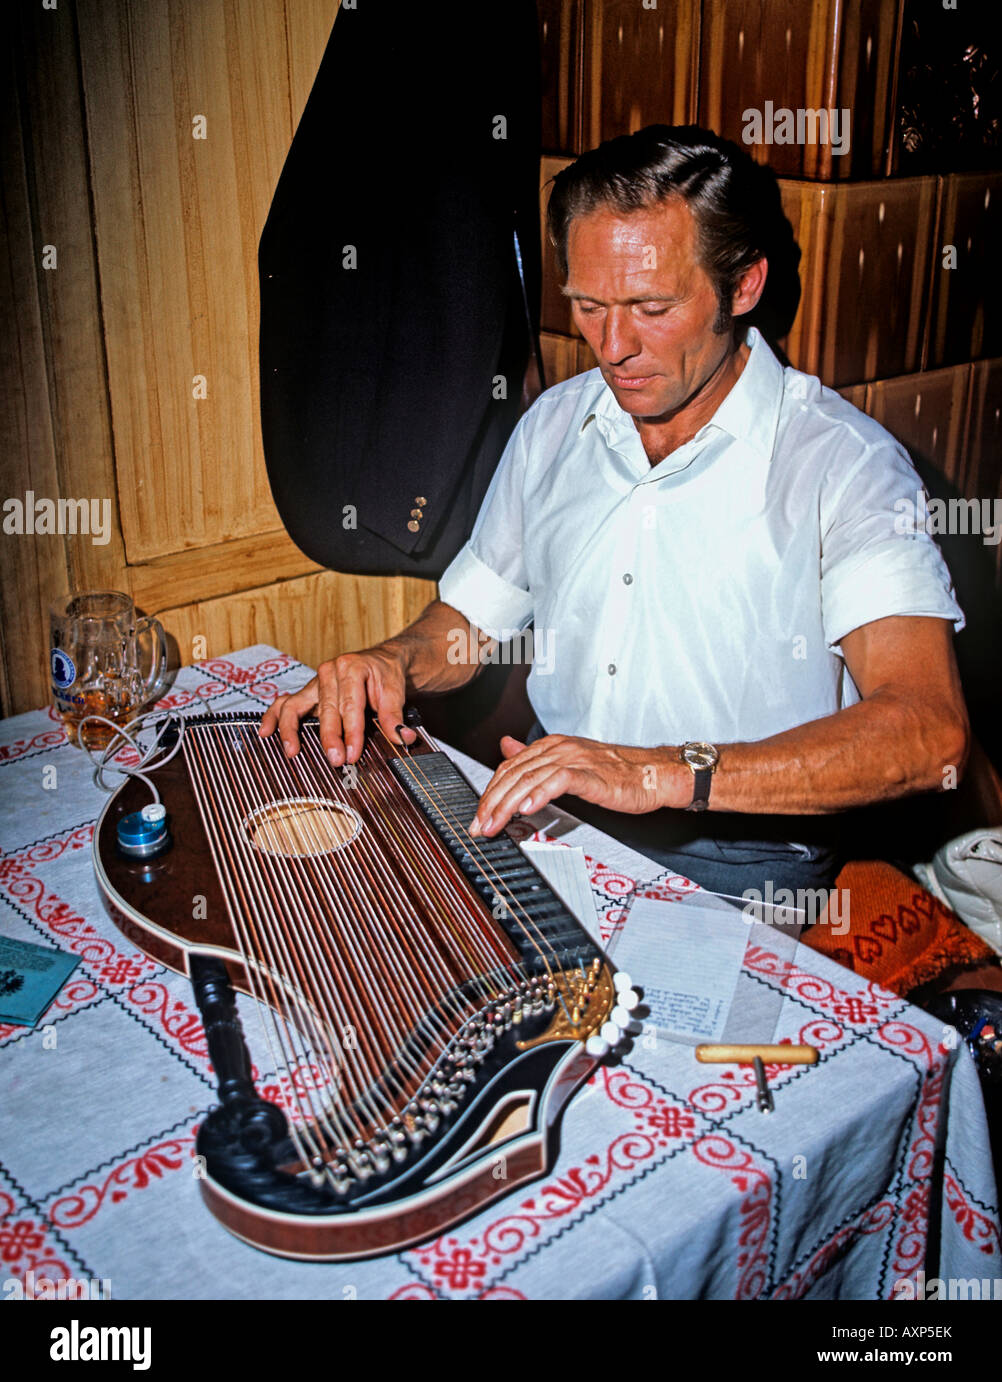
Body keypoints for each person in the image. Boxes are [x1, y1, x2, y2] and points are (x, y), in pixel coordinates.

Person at [261, 124, 968, 905]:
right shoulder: (556, 425)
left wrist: (655, 772)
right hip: (550, 814)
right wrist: (393, 660)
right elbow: (471, 623)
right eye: (590, 306)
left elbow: (926, 730)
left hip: (740, 863)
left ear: (743, 286)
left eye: (652, 306)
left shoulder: (844, 463)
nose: (614, 346)